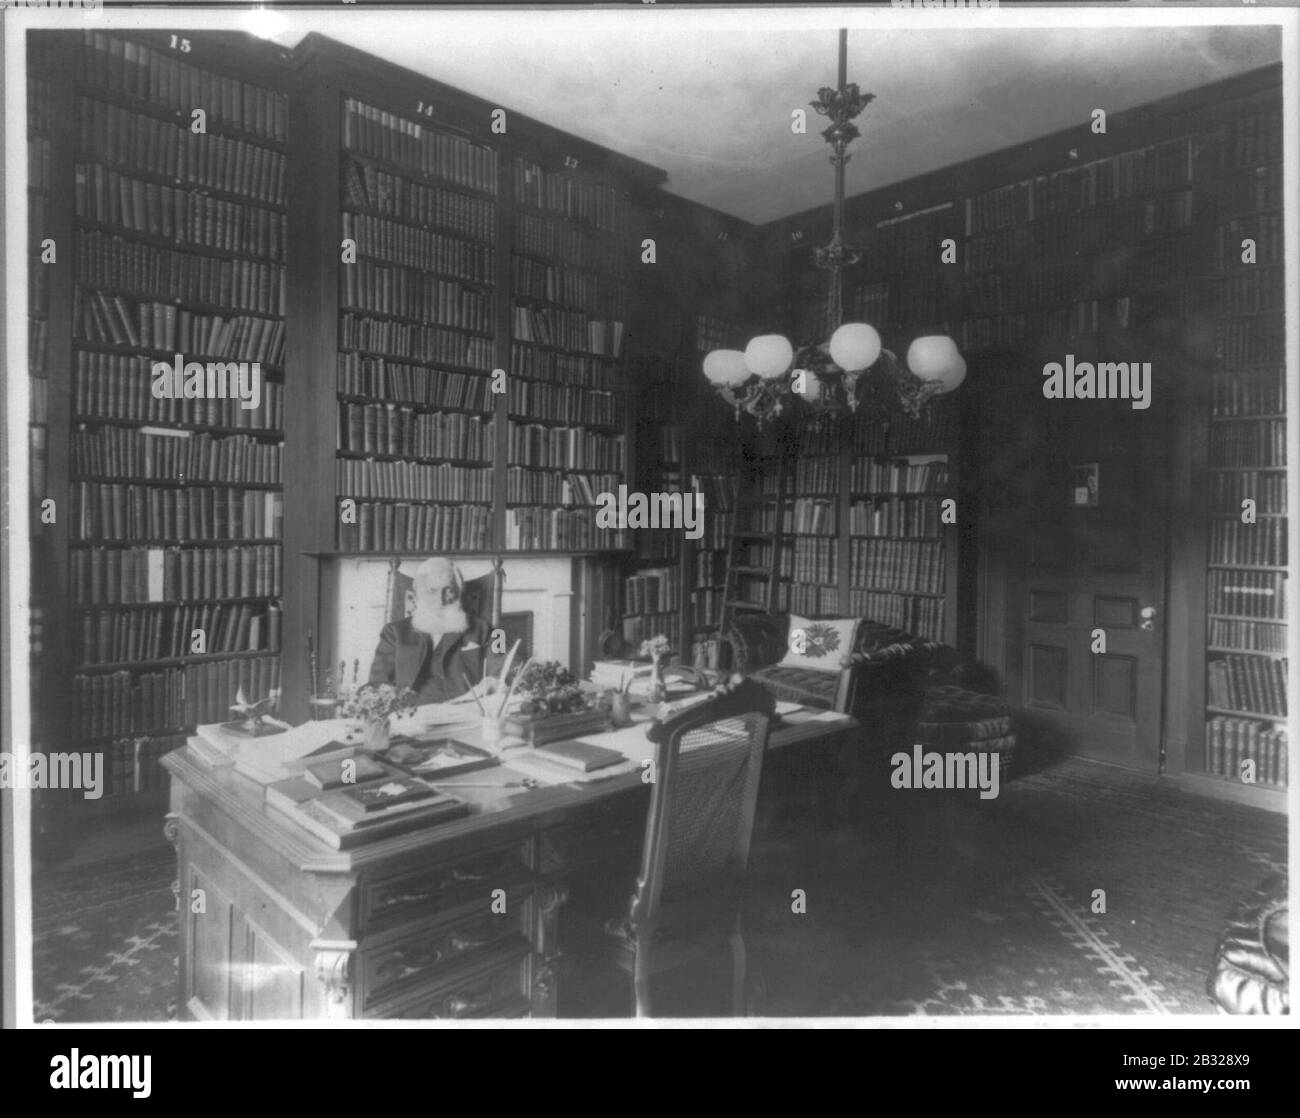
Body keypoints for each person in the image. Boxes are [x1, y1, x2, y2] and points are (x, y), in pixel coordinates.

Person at [368, 558, 502, 703]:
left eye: (449, 590)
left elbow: (509, 663)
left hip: (465, 712)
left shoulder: (488, 629)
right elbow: (377, 682)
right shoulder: (393, 632)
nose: (440, 599)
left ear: (459, 592)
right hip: (410, 715)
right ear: (417, 593)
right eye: (432, 591)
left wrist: (496, 680)